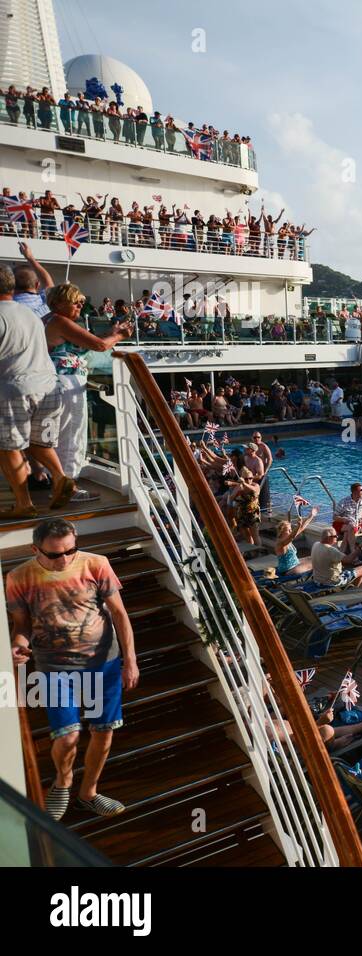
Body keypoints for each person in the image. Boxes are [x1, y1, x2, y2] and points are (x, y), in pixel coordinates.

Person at [7, 518, 137, 820]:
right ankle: (63, 782)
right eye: (54, 555)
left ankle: (88, 793)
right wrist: (17, 646)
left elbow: (119, 613)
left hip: (103, 663)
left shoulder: (96, 564)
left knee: (103, 732)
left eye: (70, 551)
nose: (63, 560)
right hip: (53, 666)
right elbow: (22, 625)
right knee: (67, 736)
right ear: (35, 549)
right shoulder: (19, 577)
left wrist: (130, 659)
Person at [41, 283, 135, 504]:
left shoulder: (49, 320)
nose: (80, 305)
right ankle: (69, 488)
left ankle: (60, 484)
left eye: (82, 301)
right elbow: (100, 346)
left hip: (57, 384)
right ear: (58, 303)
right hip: (66, 386)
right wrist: (119, 336)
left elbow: (87, 343)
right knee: (71, 436)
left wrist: (111, 333)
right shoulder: (60, 321)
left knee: (61, 437)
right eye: (76, 301)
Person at [0, 266, 73, 517]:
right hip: (48, 384)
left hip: (13, 388)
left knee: (8, 447)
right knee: (37, 442)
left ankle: (24, 504)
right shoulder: (33, 313)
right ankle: (61, 477)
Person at [274, 507, 318, 578]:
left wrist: (311, 515)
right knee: (315, 563)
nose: (290, 532)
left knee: (314, 558)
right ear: (281, 532)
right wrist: (298, 525)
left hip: (295, 564)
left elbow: (302, 527)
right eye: (288, 530)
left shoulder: (287, 538)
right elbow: (292, 536)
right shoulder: (280, 543)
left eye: (291, 530)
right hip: (287, 570)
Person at [332, 482, 362, 551]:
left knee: (348, 531)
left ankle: (342, 552)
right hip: (341, 524)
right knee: (350, 527)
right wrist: (344, 519)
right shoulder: (344, 502)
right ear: (354, 492)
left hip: (354, 525)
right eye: (361, 490)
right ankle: (353, 551)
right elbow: (334, 517)